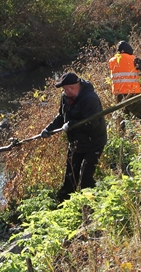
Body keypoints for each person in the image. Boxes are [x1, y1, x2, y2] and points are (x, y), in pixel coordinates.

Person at [41, 72, 108, 202]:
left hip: (93, 142)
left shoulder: (90, 99)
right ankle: (64, 204)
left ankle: (89, 206)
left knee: (85, 177)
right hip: (76, 142)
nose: (64, 91)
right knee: (70, 175)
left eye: (66, 89)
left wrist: (71, 124)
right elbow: (61, 116)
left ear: (72, 87)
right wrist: (49, 129)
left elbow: (91, 124)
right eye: (64, 89)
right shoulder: (65, 97)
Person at [108, 40, 141, 132]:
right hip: (131, 93)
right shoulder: (133, 59)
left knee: (122, 118)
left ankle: (122, 138)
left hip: (118, 95)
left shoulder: (112, 61)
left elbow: (123, 73)